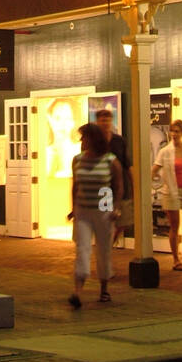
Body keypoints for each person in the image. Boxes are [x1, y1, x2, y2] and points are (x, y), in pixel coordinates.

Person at [67, 122, 122, 307]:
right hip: (83, 208)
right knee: (82, 248)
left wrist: (116, 207)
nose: (82, 140)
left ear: (93, 139)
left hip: (103, 205)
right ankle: (77, 291)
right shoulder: (78, 159)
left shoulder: (109, 160)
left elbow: (118, 185)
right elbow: (75, 185)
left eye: (85, 137)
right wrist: (73, 207)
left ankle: (104, 288)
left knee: (104, 249)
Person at [152, 120, 182, 270]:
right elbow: (155, 169)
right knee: (174, 226)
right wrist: (150, 186)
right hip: (170, 191)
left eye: (177, 131)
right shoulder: (165, 151)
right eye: (172, 131)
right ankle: (176, 259)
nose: (174, 134)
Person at [96, 108, 133, 247]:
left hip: (120, 187)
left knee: (123, 221)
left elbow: (128, 164)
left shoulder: (119, 141)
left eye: (107, 120)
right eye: (102, 120)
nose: (105, 123)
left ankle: (110, 241)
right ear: (97, 122)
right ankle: (105, 245)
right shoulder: (93, 142)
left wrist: (134, 185)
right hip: (102, 189)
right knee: (105, 221)